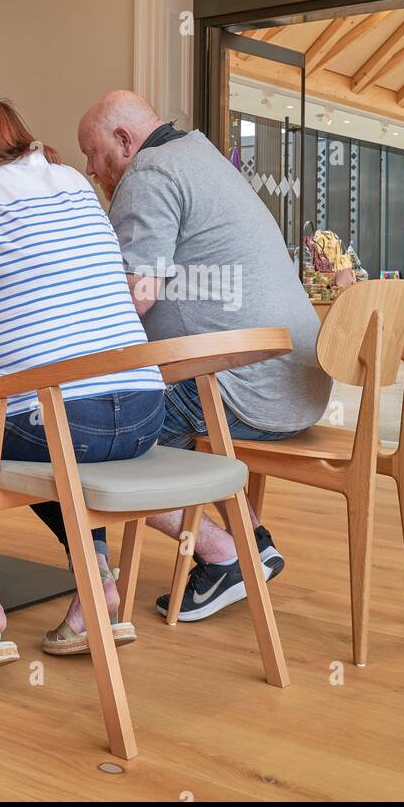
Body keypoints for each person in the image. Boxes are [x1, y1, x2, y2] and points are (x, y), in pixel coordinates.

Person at [0, 93, 165, 677]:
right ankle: (97, 594)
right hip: (143, 409)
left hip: (54, 414)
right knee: (48, 465)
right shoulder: (71, 181)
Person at [76, 90, 332, 622]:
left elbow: (133, 294)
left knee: (86, 435)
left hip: (243, 389)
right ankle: (251, 540)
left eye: (93, 154)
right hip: (295, 386)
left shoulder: (149, 172)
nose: (90, 169)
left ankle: (223, 554)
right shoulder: (201, 155)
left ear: (124, 141)